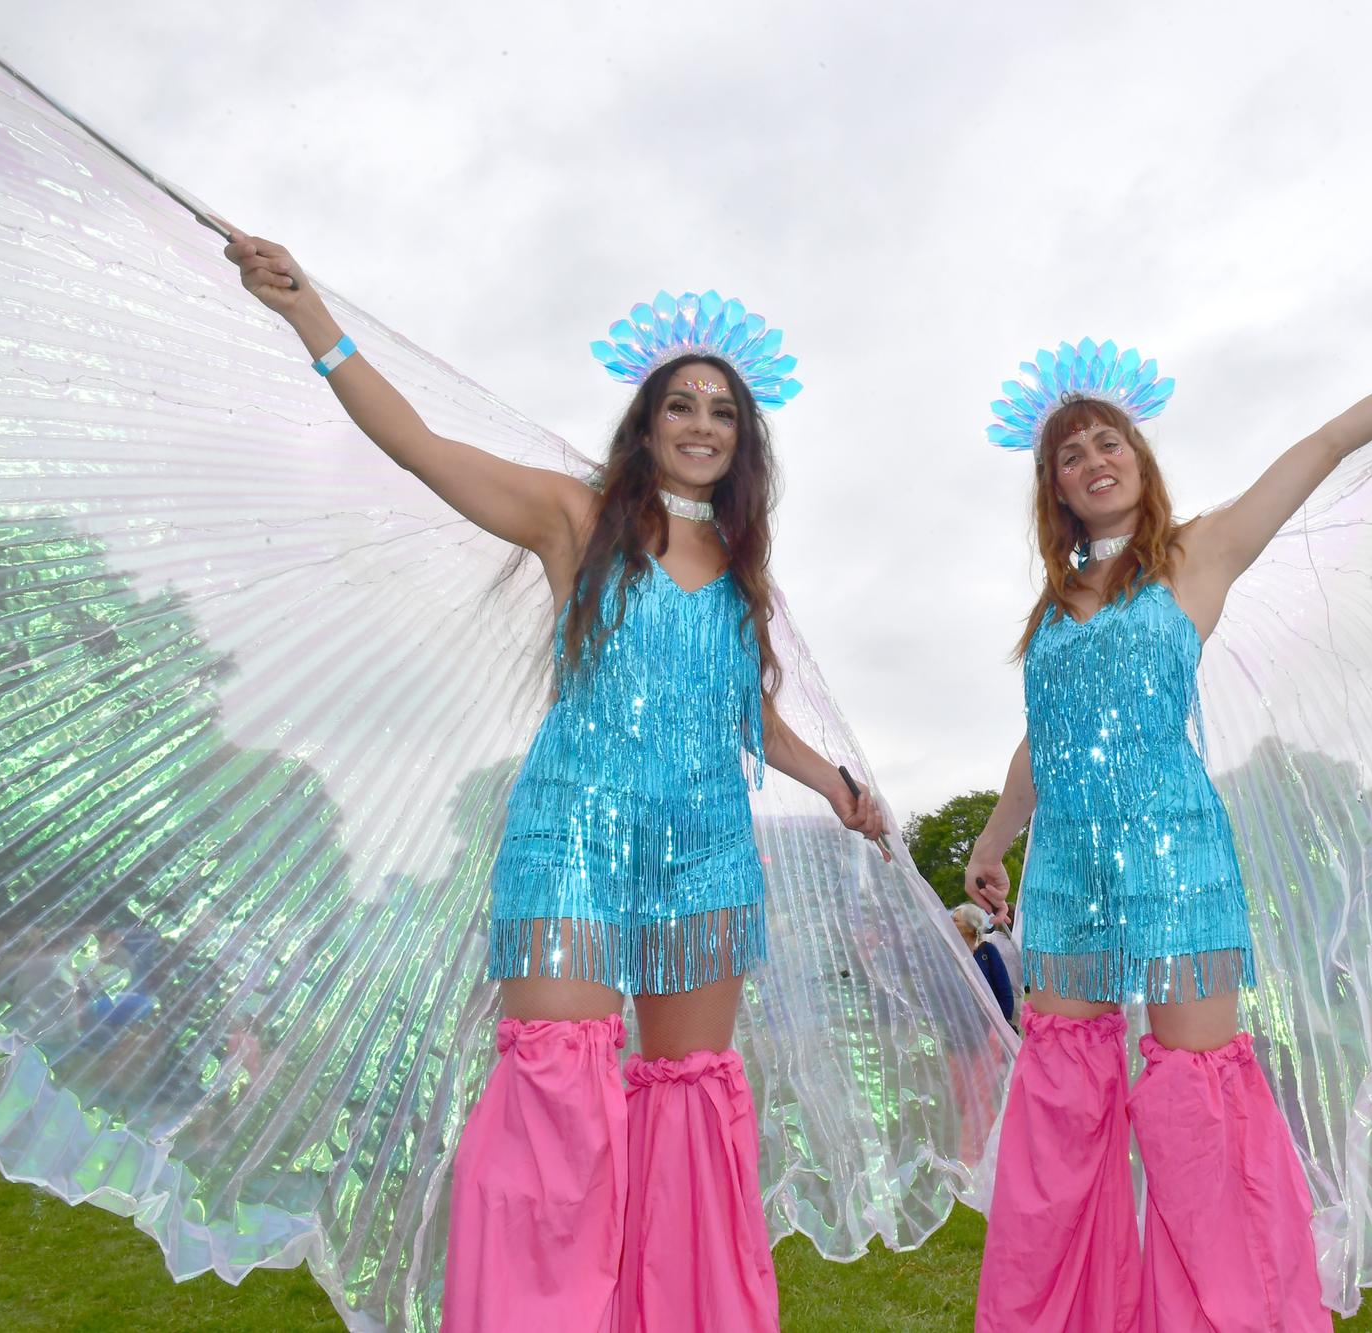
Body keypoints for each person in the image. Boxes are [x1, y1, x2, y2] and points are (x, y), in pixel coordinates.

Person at [225, 235, 891, 1331]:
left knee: (689, 1107)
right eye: (679, 406)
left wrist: (830, 783)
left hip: (706, 852)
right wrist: (310, 316)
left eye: (721, 413)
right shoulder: (576, 518)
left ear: (744, 442)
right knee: (554, 1092)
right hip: (572, 831)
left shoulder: (742, 577)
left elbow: (749, 718)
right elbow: (419, 449)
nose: (700, 426)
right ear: (646, 424)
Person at [963, 315, 1372, 1331]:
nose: (1093, 460)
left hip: (1176, 864)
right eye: (1071, 453)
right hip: (1064, 881)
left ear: (1137, 459)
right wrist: (991, 840)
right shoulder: (1053, 609)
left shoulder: (1196, 554)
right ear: (1052, 487)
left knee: (1193, 1106)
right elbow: (1039, 741)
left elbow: (1319, 446)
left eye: (1107, 442)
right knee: (1060, 1103)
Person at [955, 903, 1017, 1024]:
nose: (950, 924)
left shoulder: (987, 951)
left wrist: (1000, 1026)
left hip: (988, 1025)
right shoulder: (951, 953)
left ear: (970, 925)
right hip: (959, 1026)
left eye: (955, 920)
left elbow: (1005, 992)